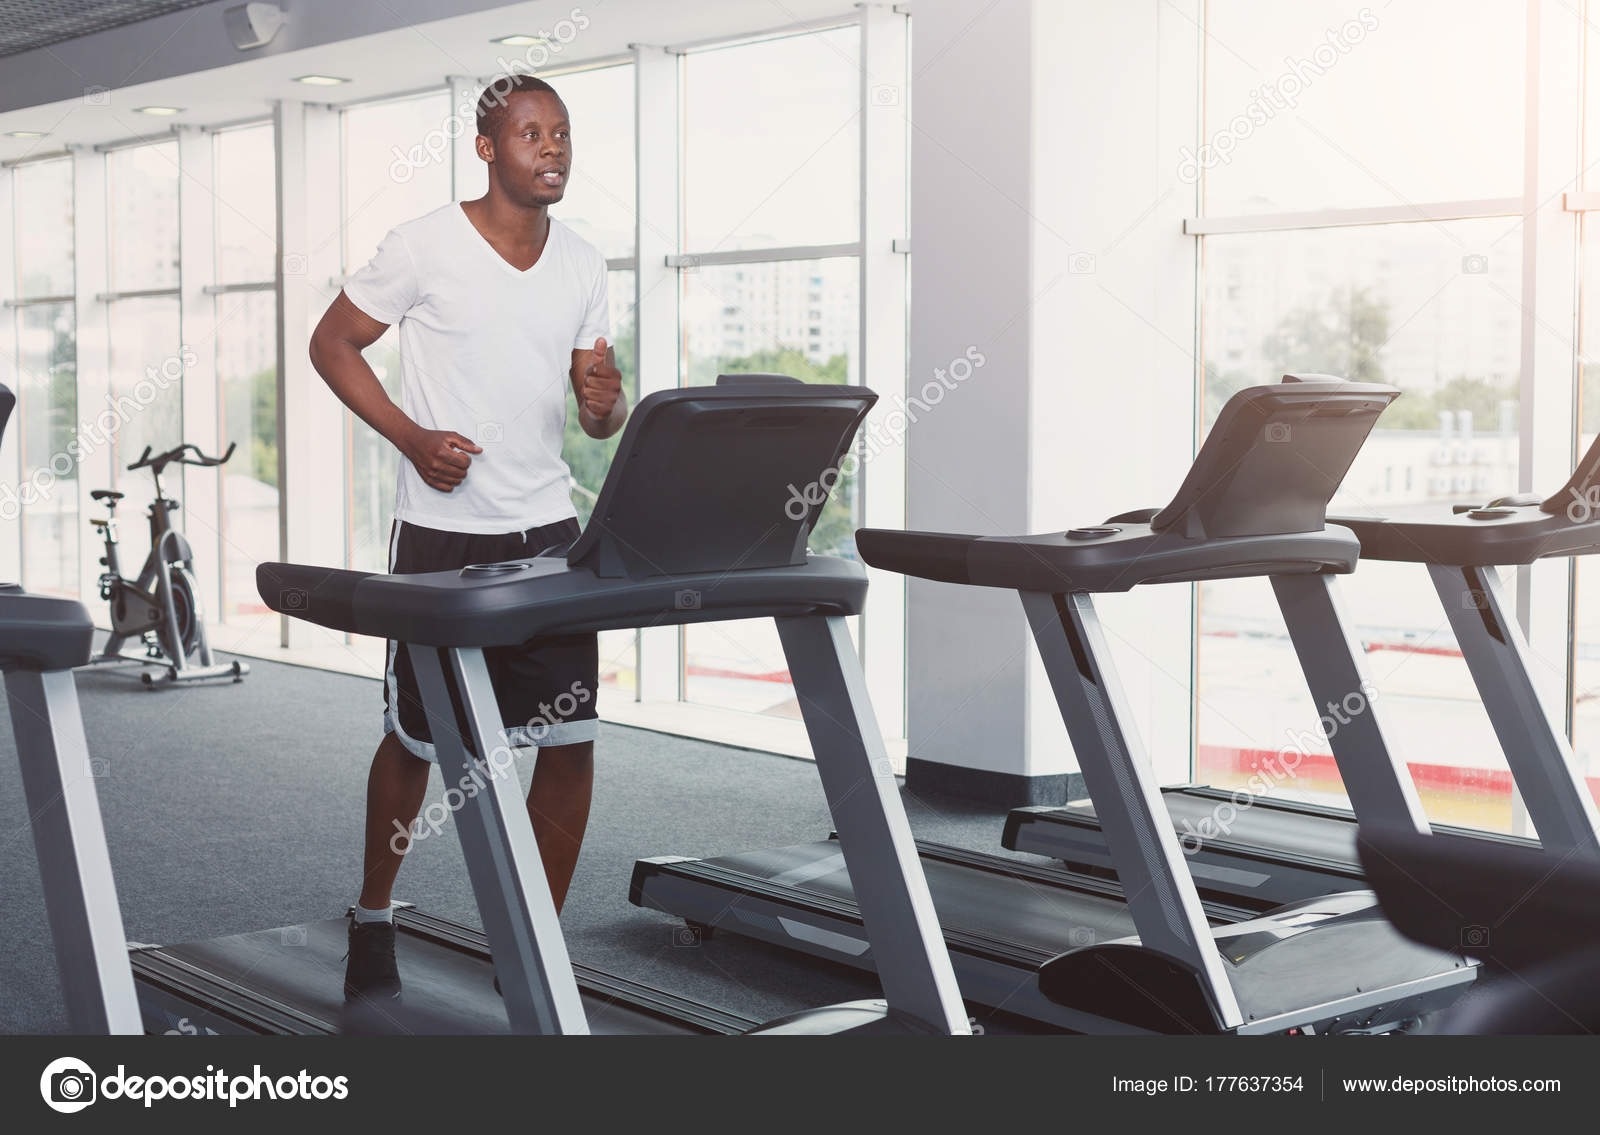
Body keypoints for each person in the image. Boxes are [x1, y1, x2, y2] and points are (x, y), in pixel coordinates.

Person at [307, 73, 626, 1005]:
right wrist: (411, 437)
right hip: (443, 537)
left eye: (561, 133)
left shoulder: (584, 263)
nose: (552, 148)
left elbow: (598, 413)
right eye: (531, 133)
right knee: (416, 741)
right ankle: (374, 909)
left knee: (569, 743)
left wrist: (605, 405)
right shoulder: (424, 245)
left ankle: (532, 942)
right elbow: (332, 343)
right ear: (488, 148)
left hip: (550, 536)